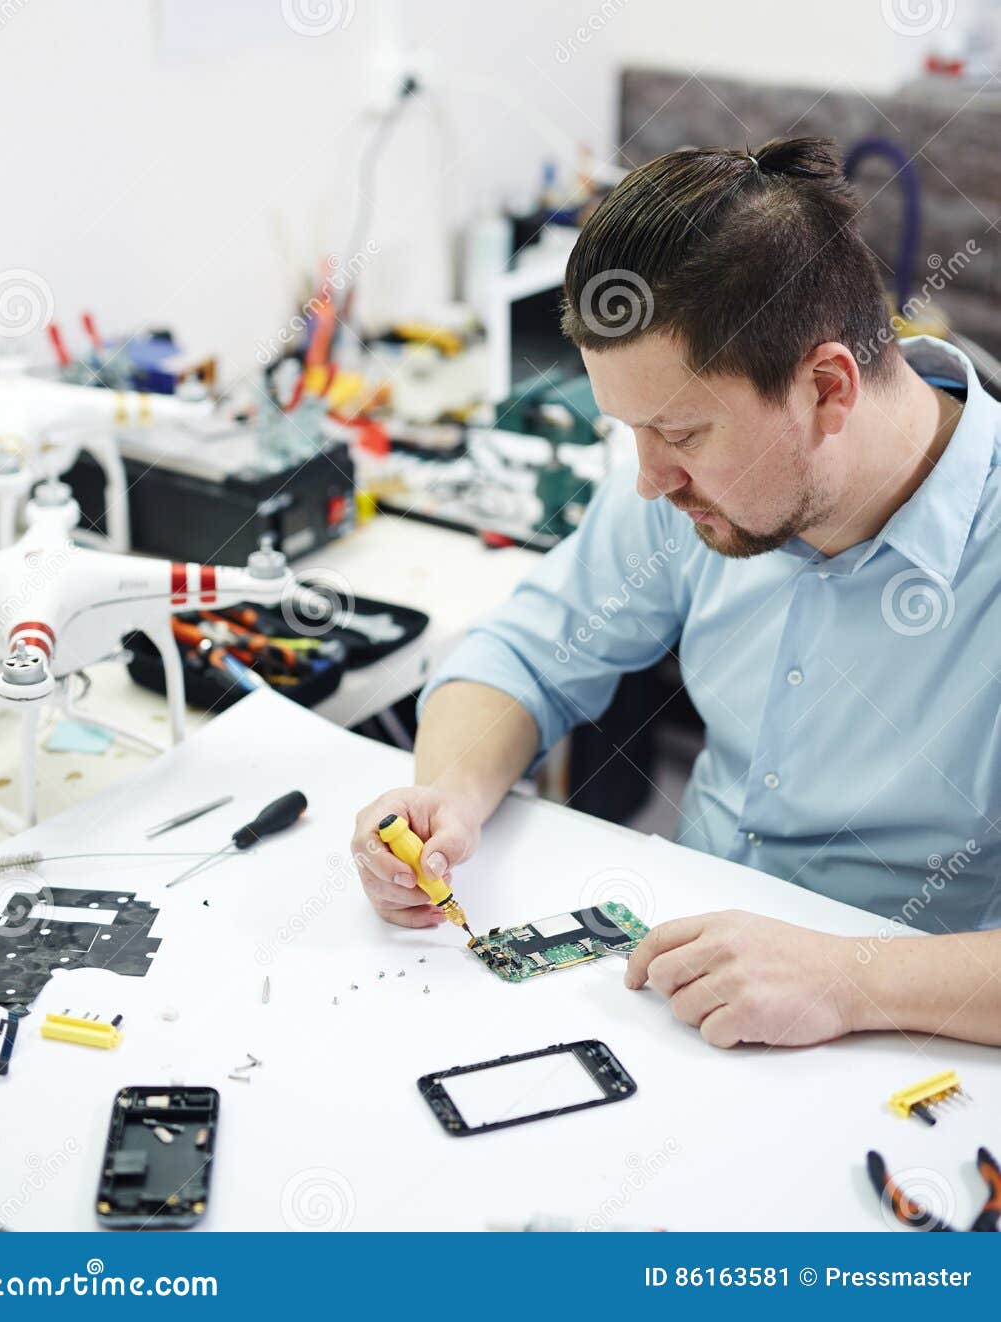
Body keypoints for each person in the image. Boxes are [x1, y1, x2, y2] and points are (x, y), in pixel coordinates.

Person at [352, 137, 1001, 1049]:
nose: (651, 480)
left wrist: (850, 981)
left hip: (892, 1046)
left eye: (681, 432)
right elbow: (526, 654)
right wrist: (449, 796)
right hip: (671, 992)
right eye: (633, 432)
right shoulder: (694, 493)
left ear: (825, 388)